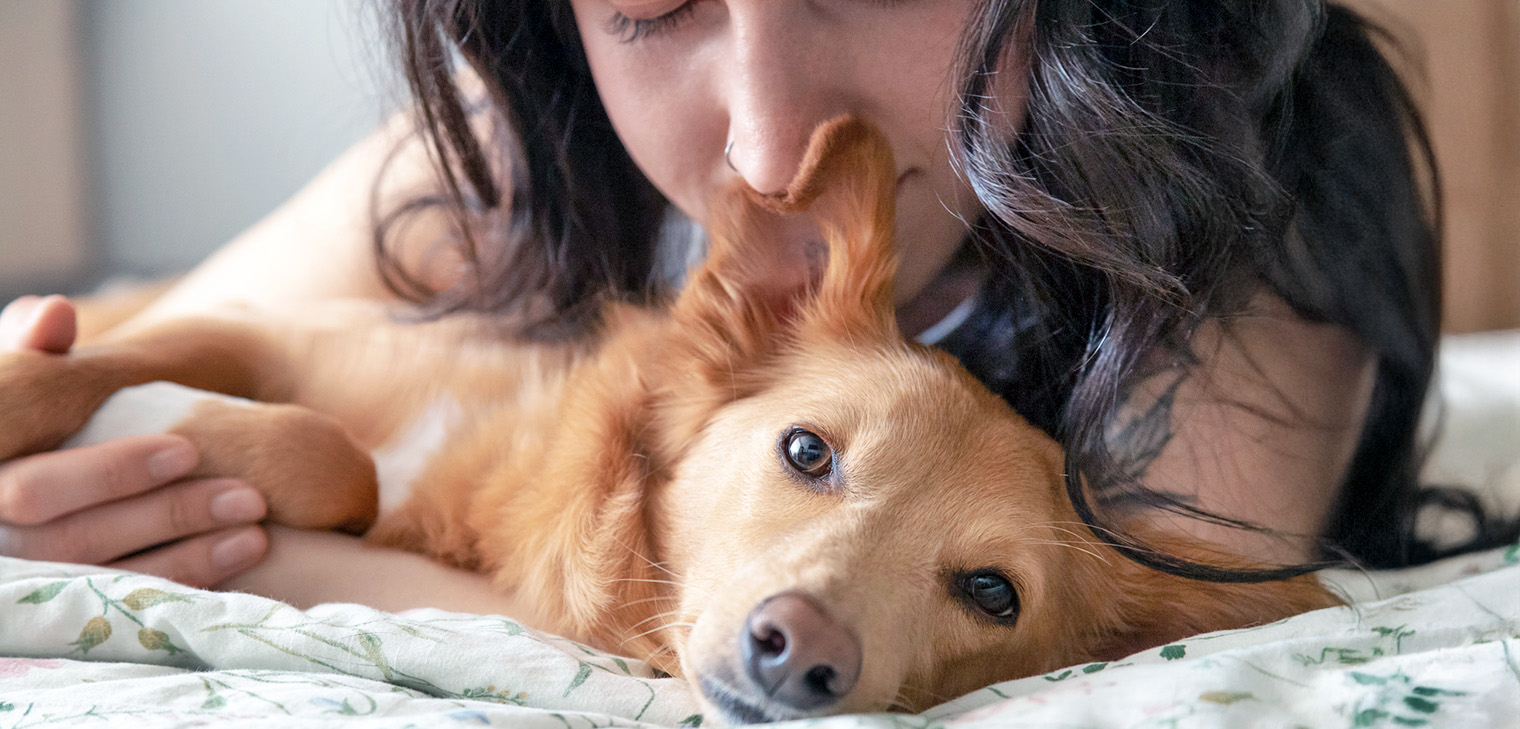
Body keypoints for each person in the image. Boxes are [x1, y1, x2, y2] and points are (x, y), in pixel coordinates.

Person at [0, 1, 1473, 610]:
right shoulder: (537, 132)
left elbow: (1155, 630)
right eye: (655, 5)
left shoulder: (1258, 200)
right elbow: (117, 365)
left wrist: (262, 560)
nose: (767, 151)